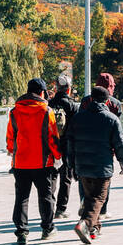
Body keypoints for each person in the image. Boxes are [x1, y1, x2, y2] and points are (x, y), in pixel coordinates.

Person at [66, 85, 123, 244]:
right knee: (99, 198)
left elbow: (70, 143)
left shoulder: (78, 118)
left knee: (89, 198)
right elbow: (119, 143)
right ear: (107, 101)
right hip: (102, 166)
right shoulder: (111, 119)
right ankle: (85, 224)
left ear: (91, 99)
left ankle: (94, 229)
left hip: (83, 166)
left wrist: (71, 164)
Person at [6, 78, 63, 245]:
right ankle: (47, 229)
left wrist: (11, 150)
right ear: (42, 92)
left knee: (21, 198)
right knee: (45, 196)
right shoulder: (46, 111)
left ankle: (21, 232)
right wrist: (57, 155)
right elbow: (52, 137)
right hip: (42, 162)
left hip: (21, 162)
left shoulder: (15, 111)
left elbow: (11, 135)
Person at [48, 75, 79, 218]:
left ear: (56, 88)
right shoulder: (72, 105)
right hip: (67, 144)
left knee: (52, 175)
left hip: (51, 144)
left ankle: (49, 207)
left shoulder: (49, 103)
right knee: (66, 177)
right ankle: (61, 209)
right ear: (69, 89)